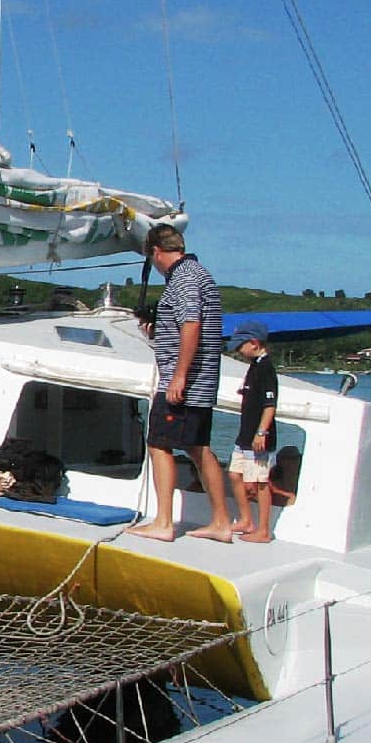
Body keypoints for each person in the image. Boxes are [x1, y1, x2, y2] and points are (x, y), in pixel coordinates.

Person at [126, 225, 234, 542]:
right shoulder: (200, 274)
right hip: (201, 382)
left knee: (159, 443)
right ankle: (221, 521)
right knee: (199, 448)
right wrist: (157, 332)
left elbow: (192, 324)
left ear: (156, 252)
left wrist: (179, 376)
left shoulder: (184, 278)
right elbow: (185, 324)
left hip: (185, 382)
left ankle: (163, 522)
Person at [225, 320, 279, 543]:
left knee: (259, 481)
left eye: (240, 346)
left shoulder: (266, 368)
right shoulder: (254, 367)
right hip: (245, 433)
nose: (238, 351)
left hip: (257, 435)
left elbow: (270, 404)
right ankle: (246, 519)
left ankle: (264, 530)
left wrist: (262, 432)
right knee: (235, 473)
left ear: (254, 343)